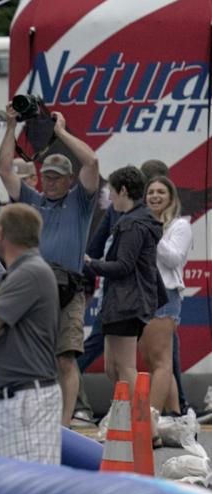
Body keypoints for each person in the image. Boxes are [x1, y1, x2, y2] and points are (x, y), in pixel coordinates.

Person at [0, 105, 99, 427]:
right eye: (47, 176)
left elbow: (92, 161)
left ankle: (64, 425)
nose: (51, 182)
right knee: (33, 359)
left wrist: (60, 133)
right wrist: (10, 126)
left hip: (70, 289)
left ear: (70, 179)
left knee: (66, 358)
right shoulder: (32, 199)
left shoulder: (80, 201)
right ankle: (38, 418)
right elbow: (4, 171)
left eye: (57, 177)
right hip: (35, 289)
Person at [0, 204, 61, 465]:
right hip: (15, 397)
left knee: (30, 488)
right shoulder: (24, 271)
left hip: (25, 400)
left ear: (1, 234)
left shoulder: (29, 272)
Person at [85, 167, 165, 397]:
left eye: (111, 191)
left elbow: (123, 266)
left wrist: (91, 262)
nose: (109, 197)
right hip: (120, 302)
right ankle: (125, 420)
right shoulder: (133, 220)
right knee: (112, 368)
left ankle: (145, 427)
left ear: (123, 190)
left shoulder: (132, 224)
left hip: (127, 303)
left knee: (126, 368)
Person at [141, 176, 192, 418]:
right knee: (154, 363)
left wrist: (154, 234)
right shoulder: (141, 221)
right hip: (142, 295)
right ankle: (174, 414)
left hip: (165, 296)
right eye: (151, 192)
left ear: (171, 197)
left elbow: (173, 259)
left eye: (161, 192)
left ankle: (150, 421)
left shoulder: (180, 225)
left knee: (161, 363)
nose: (155, 196)